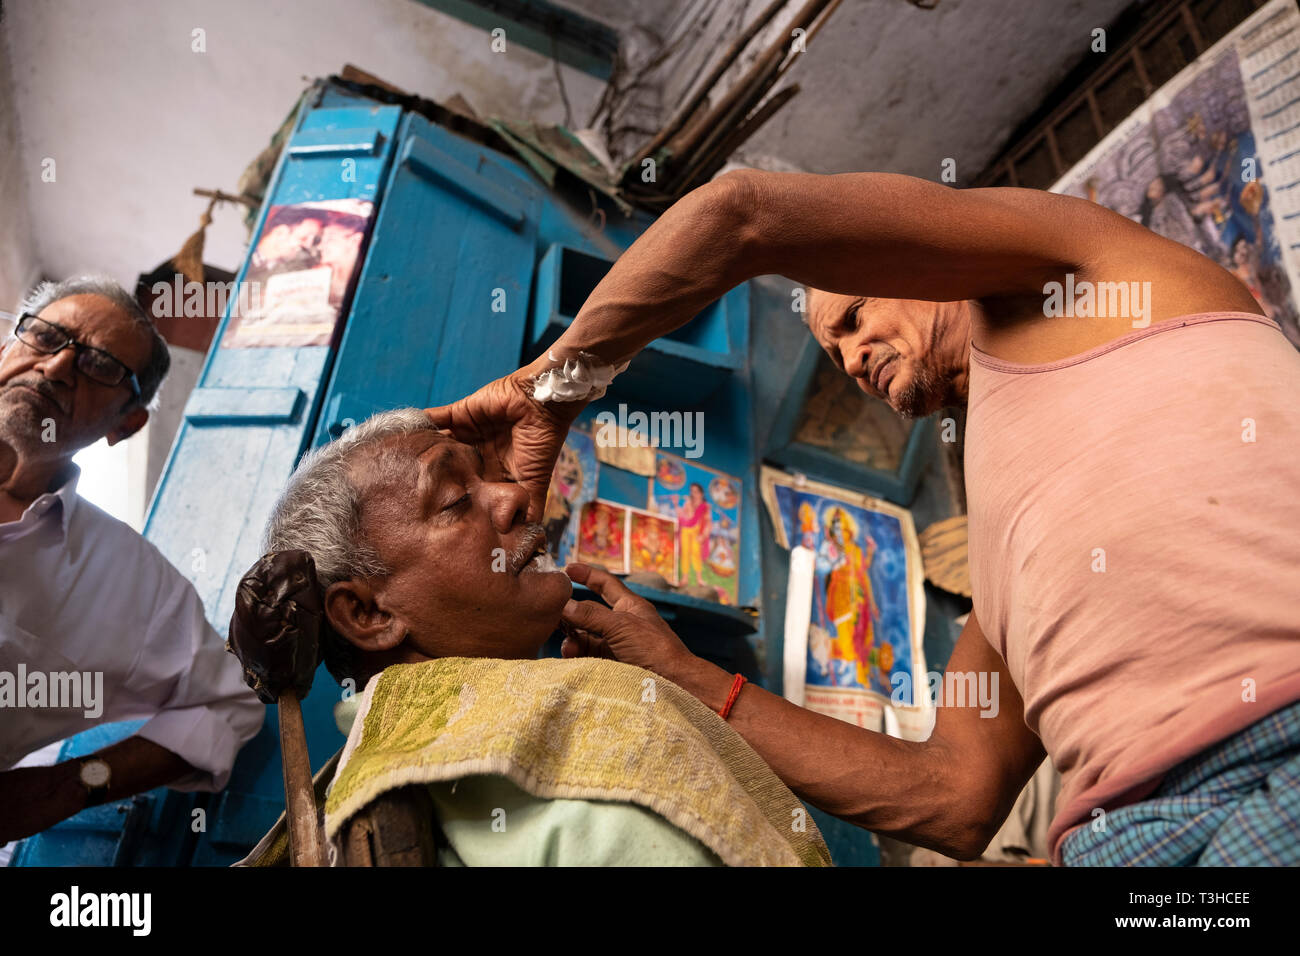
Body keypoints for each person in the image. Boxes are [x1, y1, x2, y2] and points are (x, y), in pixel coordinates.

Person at [428, 169, 1300, 866]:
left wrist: (552, 390)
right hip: (1137, 846)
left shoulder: (1084, 272)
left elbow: (740, 217)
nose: (849, 357)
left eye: (851, 318)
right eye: (833, 349)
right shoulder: (1003, 545)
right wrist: (688, 677)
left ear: (917, 263)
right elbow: (955, 797)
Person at [245, 408, 829, 867]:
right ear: (368, 615)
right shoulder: (443, 788)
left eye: (487, 474)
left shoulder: (527, 728)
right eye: (453, 499)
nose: (515, 496)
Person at [0, 276, 263, 850]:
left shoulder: (132, 582)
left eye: (100, 366)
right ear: (6, 348)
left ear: (126, 424)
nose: (57, 367)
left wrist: (68, 787)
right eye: (45, 336)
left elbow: (231, 701)